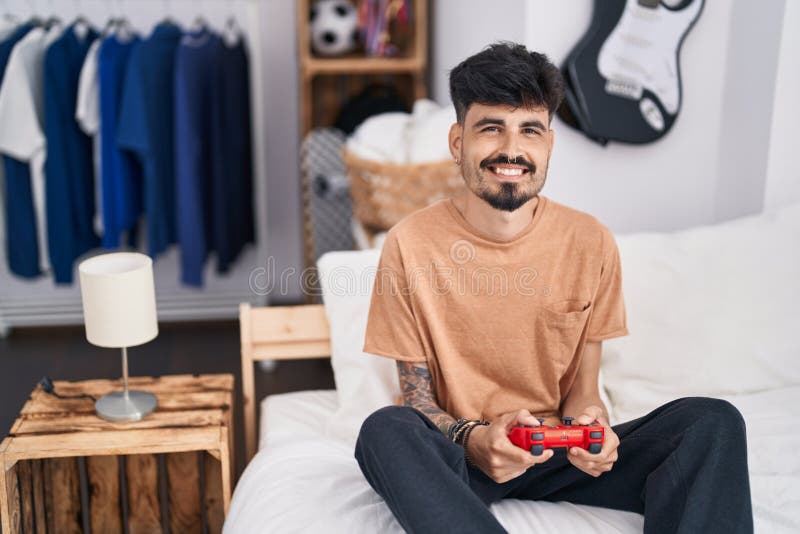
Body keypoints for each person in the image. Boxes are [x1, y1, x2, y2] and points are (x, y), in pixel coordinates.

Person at [354, 42, 753, 534]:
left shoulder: (590, 242)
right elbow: (416, 399)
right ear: (459, 142)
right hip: (462, 459)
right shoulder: (409, 244)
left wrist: (593, 430)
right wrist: (474, 438)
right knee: (384, 431)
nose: (511, 149)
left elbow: (584, 391)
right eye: (491, 128)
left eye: (530, 130)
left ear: (548, 144)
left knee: (710, 424)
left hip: (554, 452)